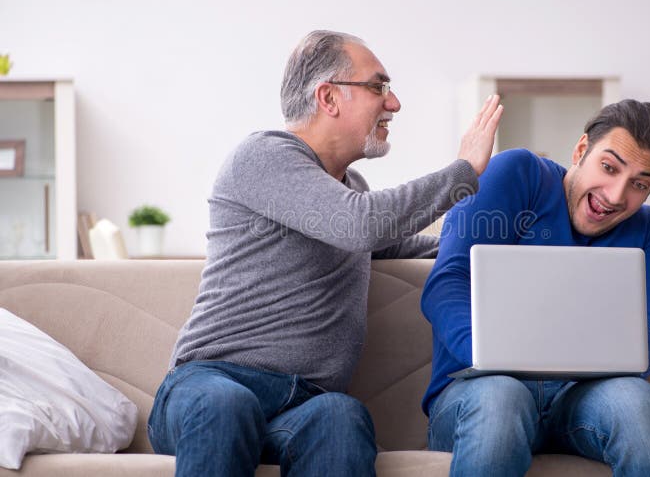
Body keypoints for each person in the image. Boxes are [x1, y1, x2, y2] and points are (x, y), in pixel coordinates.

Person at [146, 30, 503, 477]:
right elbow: (362, 223)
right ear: (329, 97)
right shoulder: (264, 156)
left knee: (342, 416)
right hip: (210, 384)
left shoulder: (351, 192)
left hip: (302, 406)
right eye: (379, 87)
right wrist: (463, 171)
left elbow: (404, 244)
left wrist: (498, 251)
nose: (393, 104)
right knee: (229, 404)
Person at [421, 99, 650, 477]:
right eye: (608, 168)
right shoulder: (517, 174)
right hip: (483, 390)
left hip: (580, 400)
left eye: (639, 185)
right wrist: (494, 358)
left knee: (636, 404)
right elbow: (445, 284)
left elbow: (645, 342)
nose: (614, 195)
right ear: (581, 150)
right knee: (503, 398)